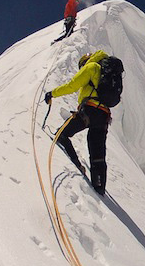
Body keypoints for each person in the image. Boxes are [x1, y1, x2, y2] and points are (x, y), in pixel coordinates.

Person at [44, 50, 112, 194]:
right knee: (97, 154)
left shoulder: (91, 67)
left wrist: (52, 93)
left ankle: (76, 164)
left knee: (62, 134)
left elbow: (72, 86)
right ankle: (99, 187)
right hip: (104, 116)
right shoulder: (106, 73)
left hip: (90, 111)